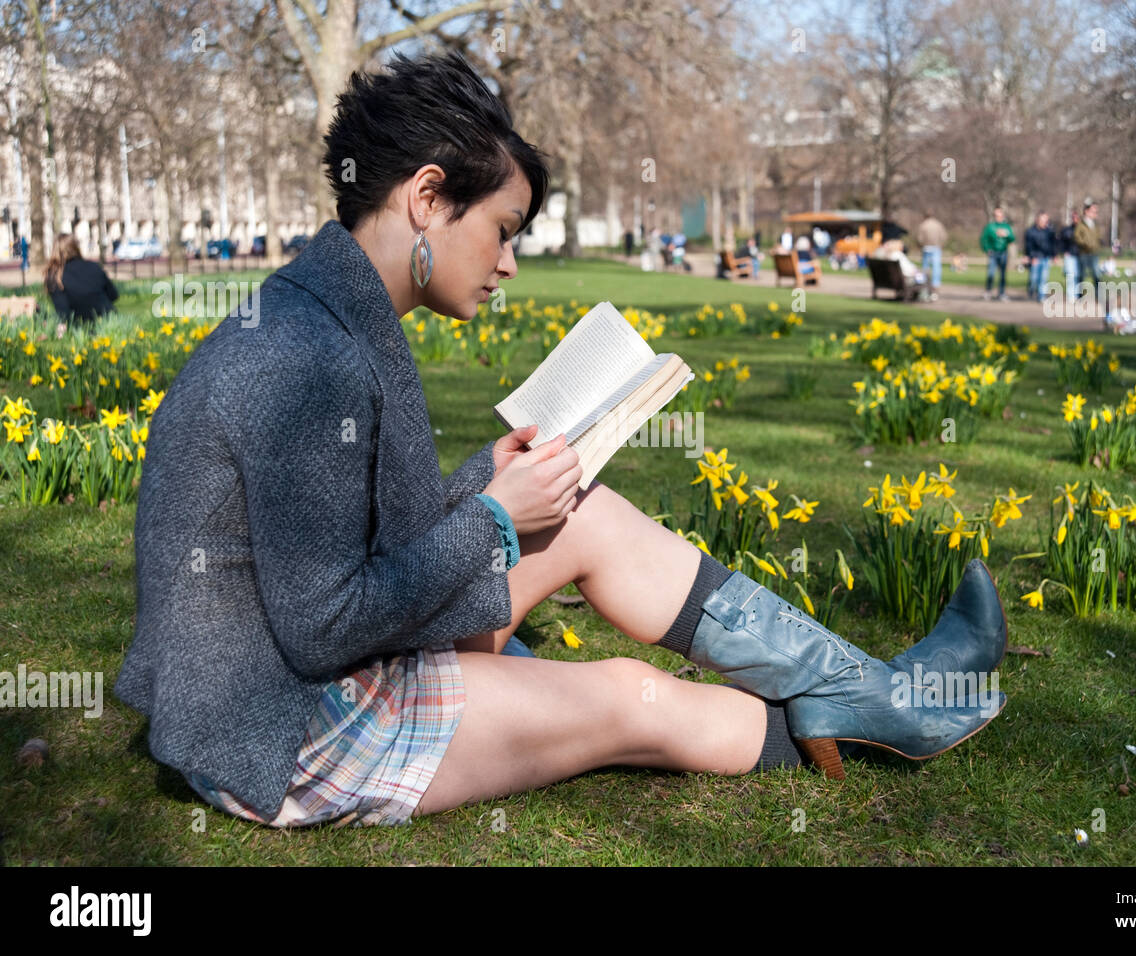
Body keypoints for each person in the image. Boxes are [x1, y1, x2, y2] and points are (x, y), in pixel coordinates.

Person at [112, 51, 1007, 831]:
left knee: (586, 514)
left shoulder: (325, 312)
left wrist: (488, 482)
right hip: (284, 727)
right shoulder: (306, 357)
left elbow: (361, 543)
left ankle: (874, 694)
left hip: (297, 670)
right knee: (627, 694)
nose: (507, 264)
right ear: (428, 198)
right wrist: (495, 518)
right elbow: (323, 629)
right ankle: (864, 716)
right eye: (502, 231)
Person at [42, 233, 119, 335]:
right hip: (108, 321)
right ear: (76, 247)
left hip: (80, 326)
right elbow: (113, 295)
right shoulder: (94, 267)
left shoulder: (56, 276)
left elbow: (63, 313)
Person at [979, 206, 1015, 301]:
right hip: (993, 253)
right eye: (996, 215)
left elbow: (1012, 239)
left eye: (999, 215)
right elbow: (984, 239)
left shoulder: (1006, 226)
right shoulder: (990, 226)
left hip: (1003, 252)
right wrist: (987, 249)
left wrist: (1006, 235)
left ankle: (1002, 293)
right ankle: (988, 291)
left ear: (1002, 216)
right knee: (991, 273)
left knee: (1003, 274)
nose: (998, 217)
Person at [1023, 211, 1055, 302]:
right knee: (1033, 279)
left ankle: (1041, 296)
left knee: (1044, 278)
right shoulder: (1030, 231)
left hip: (1045, 257)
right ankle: (1031, 290)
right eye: (1042, 220)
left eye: (1046, 220)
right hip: (1035, 257)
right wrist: (1030, 257)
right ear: (1037, 220)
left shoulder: (1049, 232)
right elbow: (1028, 246)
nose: (1044, 222)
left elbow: (1052, 244)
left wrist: (1053, 255)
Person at [1074, 199, 1102, 299]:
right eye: (1093, 211)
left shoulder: (1095, 225)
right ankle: (1080, 296)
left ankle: (1099, 296)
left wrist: (1096, 246)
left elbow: (1098, 237)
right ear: (1086, 211)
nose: (1095, 214)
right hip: (1084, 253)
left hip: (1094, 253)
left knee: (1097, 275)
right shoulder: (1081, 224)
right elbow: (1077, 237)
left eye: (1096, 211)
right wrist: (1086, 245)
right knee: (1082, 275)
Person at [916, 211, 947, 301]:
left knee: (925, 269)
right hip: (936, 248)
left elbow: (919, 238)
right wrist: (940, 244)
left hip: (926, 248)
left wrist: (921, 245)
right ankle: (935, 286)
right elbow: (944, 236)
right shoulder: (938, 224)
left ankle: (924, 286)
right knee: (936, 268)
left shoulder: (923, 225)